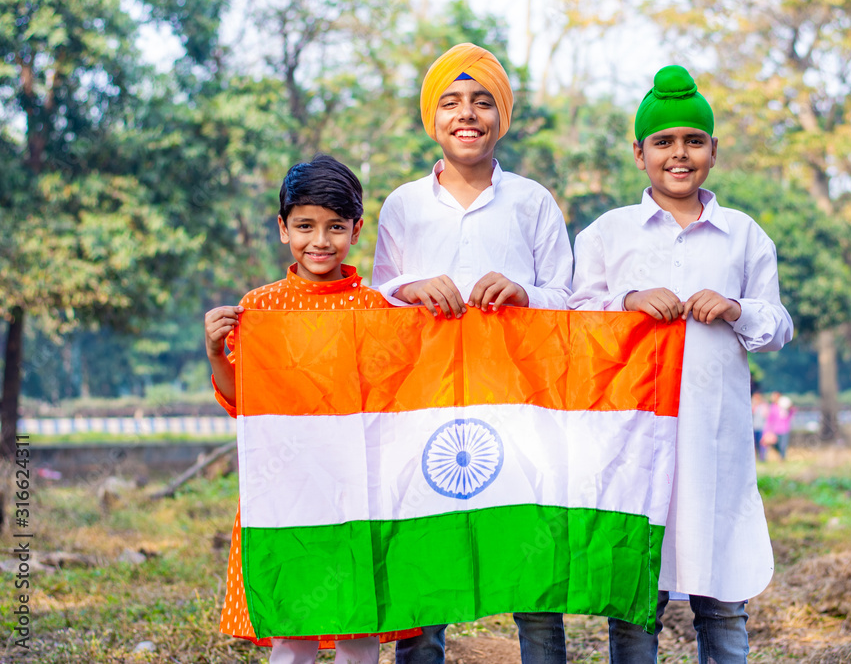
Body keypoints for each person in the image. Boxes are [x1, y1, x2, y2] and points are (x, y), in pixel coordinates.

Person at [567, 65, 793, 664]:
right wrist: (628, 303)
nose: (679, 154)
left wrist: (737, 308)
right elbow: (574, 321)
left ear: (713, 151)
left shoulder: (743, 236)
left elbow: (778, 324)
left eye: (693, 140)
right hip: (633, 448)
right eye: (663, 142)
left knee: (722, 598)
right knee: (638, 601)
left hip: (714, 446)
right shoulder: (606, 235)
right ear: (639, 152)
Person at [372, 43, 574, 664]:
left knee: (533, 568)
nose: (468, 114)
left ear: (502, 116)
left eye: (482, 101)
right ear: (432, 120)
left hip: (519, 411)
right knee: (422, 569)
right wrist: (406, 289)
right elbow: (376, 304)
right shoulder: (403, 205)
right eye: (452, 102)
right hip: (424, 413)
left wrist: (524, 295)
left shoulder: (533, 201)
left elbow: (570, 301)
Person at [204, 154, 421, 664]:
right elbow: (244, 406)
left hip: (361, 494)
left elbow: (402, 401)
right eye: (305, 226)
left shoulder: (378, 310)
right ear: (283, 228)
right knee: (292, 631)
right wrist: (217, 352)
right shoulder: (259, 309)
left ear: (356, 230)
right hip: (287, 493)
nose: (319, 241)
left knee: (360, 632)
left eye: (334, 227)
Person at [763, 394, 795, 461]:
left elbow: (792, 413)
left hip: (785, 429)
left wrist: (790, 407)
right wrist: (767, 430)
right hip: (776, 430)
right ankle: (780, 454)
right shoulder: (773, 407)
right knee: (774, 444)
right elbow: (770, 420)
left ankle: (782, 458)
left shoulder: (785, 407)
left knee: (783, 445)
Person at [751, 391, 769, 461]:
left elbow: (766, 415)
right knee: (755, 444)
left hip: (762, 427)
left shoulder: (764, 405)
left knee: (762, 444)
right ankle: (757, 457)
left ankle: (762, 458)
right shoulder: (752, 405)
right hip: (754, 427)